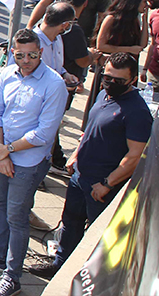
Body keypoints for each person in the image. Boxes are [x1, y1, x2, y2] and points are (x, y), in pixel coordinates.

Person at [0, 28, 68, 296]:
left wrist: (5, 151)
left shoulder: (54, 84)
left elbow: (44, 133)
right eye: (20, 55)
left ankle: (12, 277)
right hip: (3, 153)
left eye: (32, 55)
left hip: (29, 161)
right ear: (12, 53)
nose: (26, 61)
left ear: (41, 53)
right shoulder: (8, 73)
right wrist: (0, 149)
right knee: (0, 205)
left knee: (17, 216)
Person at [30, 52, 152, 279]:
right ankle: (62, 266)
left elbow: (135, 155)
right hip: (80, 177)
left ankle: (96, 278)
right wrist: (76, 154)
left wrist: (107, 183)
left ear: (132, 80)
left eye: (118, 81)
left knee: (100, 235)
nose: (111, 83)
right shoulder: (103, 95)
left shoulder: (137, 111)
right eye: (107, 77)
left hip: (102, 185)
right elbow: (89, 130)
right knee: (70, 223)